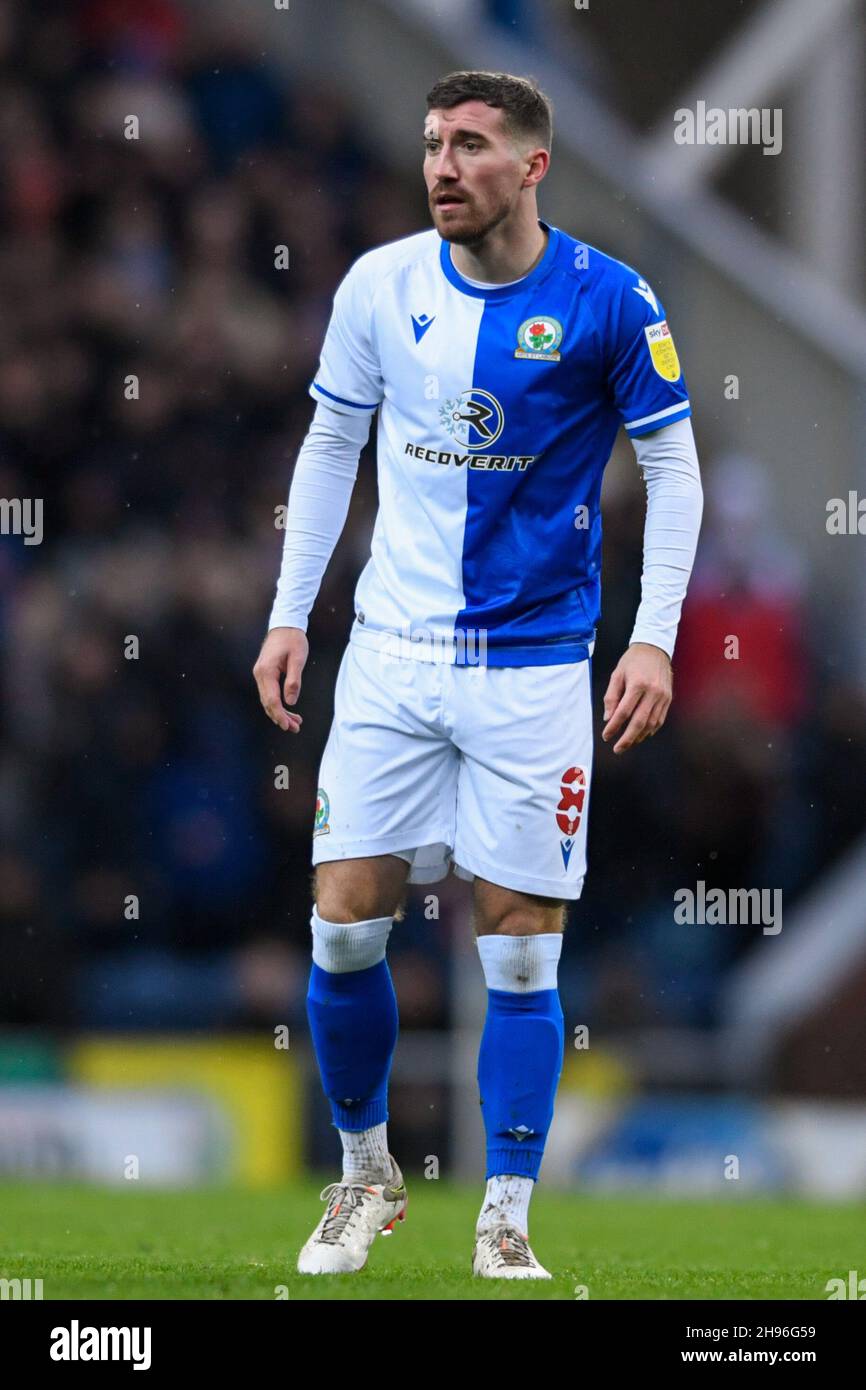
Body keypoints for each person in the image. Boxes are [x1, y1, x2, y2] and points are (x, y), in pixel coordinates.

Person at [253, 70, 703, 1279]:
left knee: (515, 952)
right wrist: (289, 613)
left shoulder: (610, 300)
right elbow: (329, 444)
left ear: (532, 165)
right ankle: (366, 1175)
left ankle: (502, 1211)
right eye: (431, 144)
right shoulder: (379, 286)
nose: (441, 165)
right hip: (391, 659)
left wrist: (652, 635)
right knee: (343, 927)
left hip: (535, 671)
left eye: (468, 145)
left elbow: (674, 473)